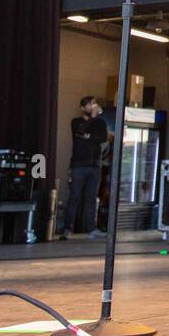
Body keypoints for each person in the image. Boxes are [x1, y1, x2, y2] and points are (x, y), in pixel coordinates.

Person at [59, 96, 109, 239]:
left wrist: (88, 136)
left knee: (91, 198)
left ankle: (91, 229)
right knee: (74, 197)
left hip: (95, 165)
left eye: (94, 104)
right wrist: (92, 120)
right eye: (90, 104)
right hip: (78, 165)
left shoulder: (101, 123)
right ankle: (67, 229)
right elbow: (80, 131)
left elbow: (102, 138)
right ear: (83, 108)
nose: (93, 106)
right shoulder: (76, 122)